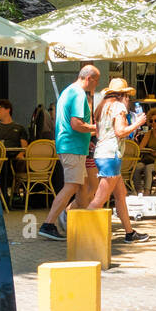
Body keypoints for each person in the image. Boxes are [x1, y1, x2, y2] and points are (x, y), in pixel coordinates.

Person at [40, 65, 100, 241]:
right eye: (96, 81)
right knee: (73, 185)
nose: (96, 85)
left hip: (72, 145)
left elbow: (69, 123)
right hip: (72, 147)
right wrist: (97, 128)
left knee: (82, 186)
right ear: (89, 78)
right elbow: (76, 123)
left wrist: (87, 138)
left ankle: (80, 224)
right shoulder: (79, 94)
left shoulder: (68, 91)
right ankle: (49, 223)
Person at [87, 77, 151, 243]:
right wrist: (138, 123)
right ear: (123, 95)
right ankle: (81, 234)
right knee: (98, 200)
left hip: (102, 153)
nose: (129, 99)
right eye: (127, 95)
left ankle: (129, 233)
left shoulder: (102, 107)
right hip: (111, 156)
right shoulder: (118, 106)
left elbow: (100, 133)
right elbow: (121, 132)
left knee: (121, 195)